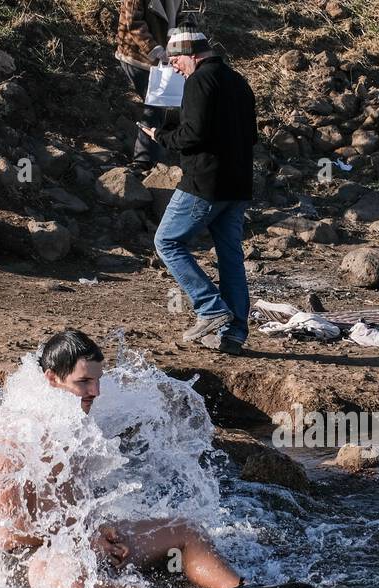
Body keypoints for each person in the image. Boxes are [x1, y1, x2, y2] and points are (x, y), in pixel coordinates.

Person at [0, 330, 316, 588]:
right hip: (28, 562)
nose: (95, 392)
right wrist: (81, 540)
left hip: (78, 541)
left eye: (98, 381)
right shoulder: (15, 438)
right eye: (84, 382)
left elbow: (71, 505)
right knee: (75, 583)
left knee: (184, 530)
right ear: (51, 379)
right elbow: (9, 530)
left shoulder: (75, 428)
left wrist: (96, 530)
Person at [142, 27, 257, 355]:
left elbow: (192, 135)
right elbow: (251, 136)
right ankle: (234, 334)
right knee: (230, 257)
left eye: (175, 59)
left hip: (204, 184)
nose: (174, 67)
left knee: (166, 241)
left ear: (193, 54)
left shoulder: (199, 81)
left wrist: (159, 137)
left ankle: (210, 308)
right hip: (238, 184)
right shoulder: (239, 82)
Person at [114, 0, 182, 172]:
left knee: (161, 105)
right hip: (137, 58)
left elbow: (180, 17)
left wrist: (179, 42)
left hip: (163, 58)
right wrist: (155, 49)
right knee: (155, 105)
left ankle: (156, 153)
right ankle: (143, 160)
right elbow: (134, 23)